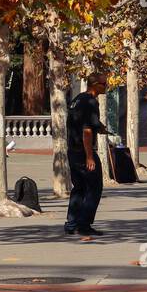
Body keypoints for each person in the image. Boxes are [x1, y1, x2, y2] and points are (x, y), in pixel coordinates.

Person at [65, 71, 110, 236]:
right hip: (83, 153)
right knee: (94, 187)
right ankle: (83, 224)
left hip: (72, 150)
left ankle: (71, 224)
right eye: (104, 84)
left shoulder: (78, 99)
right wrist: (90, 157)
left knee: (79, 187)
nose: (106, 87)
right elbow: (87, 131)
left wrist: (100, 127)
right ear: (95, 85)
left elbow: (83, 122)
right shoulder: (91, 102)